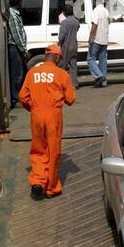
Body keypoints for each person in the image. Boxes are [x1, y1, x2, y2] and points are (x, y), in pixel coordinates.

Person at [19, 44, 76, 199]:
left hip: (36, 114)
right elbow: (70, 100)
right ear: (57, 57)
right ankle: (51, 187)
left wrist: (33, 108)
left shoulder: (32, 73)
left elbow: (23, 96)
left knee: (38, 149)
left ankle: (37, 182)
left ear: (46, 56)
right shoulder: (62, 74)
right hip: (53, 115)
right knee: (53, 150)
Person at [5, 0, 27, 107]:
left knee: (23, 72)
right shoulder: (13, 15)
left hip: (17, 47)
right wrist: (23, 49)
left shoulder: (16, 14)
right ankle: (15, 98)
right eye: (21, 2)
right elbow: (16, 34)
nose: (22, 4)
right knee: (17, 74)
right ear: (18, 3)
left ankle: (20, 96)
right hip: (15, 47)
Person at [87, 0, 110, 88]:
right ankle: (103, 82)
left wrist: (90, 37)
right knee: (102, 60)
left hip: (97, 39)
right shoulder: (106, 10)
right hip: (105, 39)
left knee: (90, 58)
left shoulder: (95, 11)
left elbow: (94, 25)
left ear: (94, 1)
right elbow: (109, 22)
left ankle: (99, 76)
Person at [57, 2, 80, 88]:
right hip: (74, 45)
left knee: (62, 66)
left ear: (65, 13)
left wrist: (59, 44)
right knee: (73, 66)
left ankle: (61, 84)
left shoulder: (64, 22)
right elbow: (77, 29)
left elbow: (61, 36)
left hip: (65, 47)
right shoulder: (76, 22)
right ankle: (74, 84)